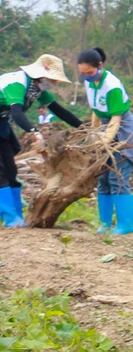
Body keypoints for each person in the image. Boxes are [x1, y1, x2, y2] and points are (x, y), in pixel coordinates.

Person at [0, 54, 83, 227]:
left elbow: (59, 111)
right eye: (53, 79)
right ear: (42, 76)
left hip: (2, 124)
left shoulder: (37, 89)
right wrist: (34, 132)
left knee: (11, 170)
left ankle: (17, 217)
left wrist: (83, 128)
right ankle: (9, 217)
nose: (55, 84)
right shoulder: (17, 83)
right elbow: (16, 113)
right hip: (4, 121)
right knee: (1, 171)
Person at [76, 48, 133, 235]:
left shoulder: (112, 86)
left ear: (100, 66)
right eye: (82, 73)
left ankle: (125, 225)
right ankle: (105, 224)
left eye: (90, 73)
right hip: (105, 130)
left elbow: (116, 119)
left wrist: (105, 141)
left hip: (124, 132)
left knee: (117, 177)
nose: (86, 77)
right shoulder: (90, 83)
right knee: (102, 177)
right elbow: (96, 110)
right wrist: (93, 134)